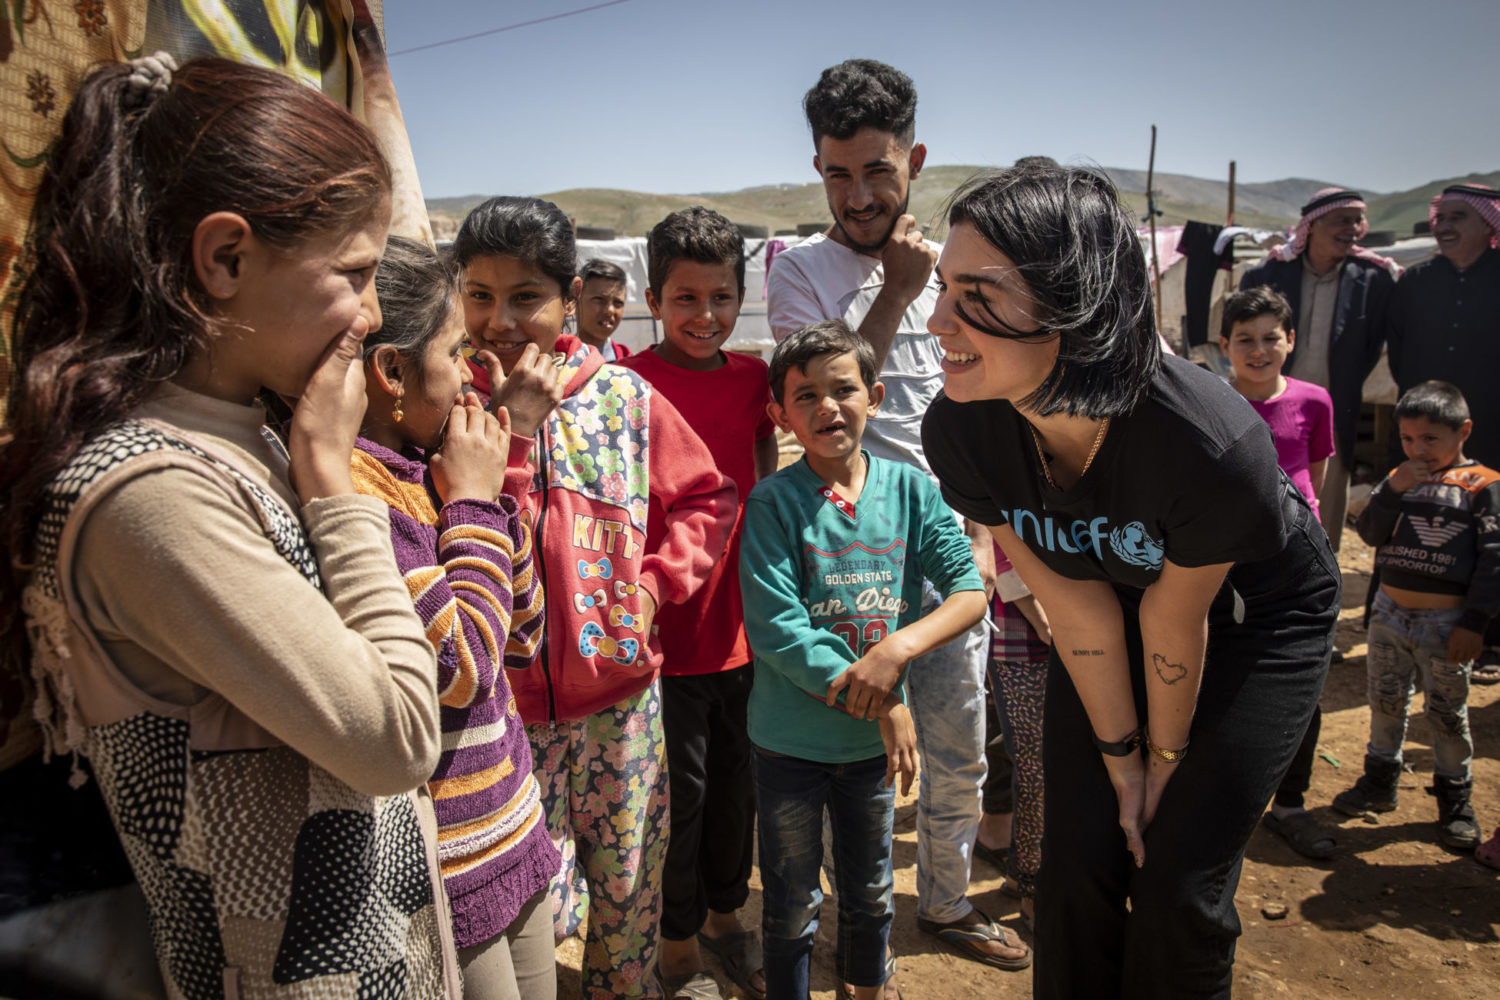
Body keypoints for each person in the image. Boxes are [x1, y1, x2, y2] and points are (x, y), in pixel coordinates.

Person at [2, 57, 462, 997]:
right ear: (224, 259)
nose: (374, 315)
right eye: (355, 274)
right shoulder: (148, 493)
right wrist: (335, 485)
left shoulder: (249, 435)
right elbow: (395, 738)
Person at [921, 165, 1341, 1000]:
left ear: (1072, 303)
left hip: (1254, 619)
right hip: (1108, 605)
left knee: (1176, 881)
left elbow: (1176, 621)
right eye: (941, 288)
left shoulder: (1206, 444)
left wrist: (1160, 762)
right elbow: (1073, 603)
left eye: (975, 294)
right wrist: (1119, 763)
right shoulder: (963, 428)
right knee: (1074, 868)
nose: (938, 323)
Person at [765, 59, 1023, 978]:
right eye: (838, 174)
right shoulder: (798, 273)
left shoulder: (967, 262)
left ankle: (947, 900)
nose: (859, 194)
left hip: (953, 547)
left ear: (914, 158)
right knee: (848, 752)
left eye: (878, 171)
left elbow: (1000, 395)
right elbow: (825, 393)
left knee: (957, 742)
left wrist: (1004, 530)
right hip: (845, 552)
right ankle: (854, 919)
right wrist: (898, 294)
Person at [453, 195, 737, 1000]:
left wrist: (651, 590)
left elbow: (707, 500)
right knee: (522, 909)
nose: (500, 320)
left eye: (524, 298)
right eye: (479, 295)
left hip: (622, 704)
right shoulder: (451, 406)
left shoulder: (623, 399)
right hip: (500, 716)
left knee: (628, 888)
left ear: (568, 294)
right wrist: (511, 434)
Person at [740, 320, 989, 1000]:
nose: (828, 407)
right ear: (780, 414)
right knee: (791, 901)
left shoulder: (912, 492)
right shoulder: (773, 505)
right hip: (789, 744)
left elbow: (968, 590)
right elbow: (779, 630)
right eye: (806, 396)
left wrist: (896, 649)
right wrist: (887, 701)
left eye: (843, 389)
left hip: (869, 753)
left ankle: (866, 987)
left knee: (871, 888)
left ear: (874, 396)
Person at [353, 237, 561, 1000]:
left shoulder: (433, 465)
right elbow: (462, 665)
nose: (474, 375)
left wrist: (494, 479)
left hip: (509, 818)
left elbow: (523, 629)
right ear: (393, 373)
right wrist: (474, 500)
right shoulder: (362, 499)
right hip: (450, 859)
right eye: (456, 352)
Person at [616, 207, 778, 1000]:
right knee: (676, 799)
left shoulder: (755, 380)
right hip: (662, 635)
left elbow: (770, 456)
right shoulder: (627, 383)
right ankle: (675, 947)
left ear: (740, 297)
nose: (705, 316)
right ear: (653, 298)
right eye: (685, 298)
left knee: (736, 793)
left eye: (721, 297)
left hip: (744, 630)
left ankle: (724, 918)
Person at [1332, 381, 1497, 850]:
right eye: (1407, 439)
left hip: (1445, 627)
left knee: (1446, 714)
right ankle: (1379, 781)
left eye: (1430, 439)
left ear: (1463, 431)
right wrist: (1392, 487)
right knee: (1386, 702)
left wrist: (1475, 624)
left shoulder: (1483, 486)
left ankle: (1454, 799)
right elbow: (1367, 533)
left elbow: (1494, 561)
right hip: (1390, 616)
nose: (1417, 449)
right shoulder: (1401, 480)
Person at [1218, 286, 1340, 860]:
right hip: (1228, 561)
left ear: (1290, 341)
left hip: (1297, 563)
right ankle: (1224, 803)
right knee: (1224, 674)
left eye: (1271, 337)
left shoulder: (1315, 401)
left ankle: (1289, 804)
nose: (1259, 349)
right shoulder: (1214, 400)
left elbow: (1313, 476)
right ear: (1225, 346)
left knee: (1301, 687)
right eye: (1246, 339)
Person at [1239, 187, 1399, 549]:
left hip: (1333, 403)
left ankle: (1323, 566)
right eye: (1344, 220)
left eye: (1359, 220)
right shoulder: (1270, 273)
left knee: (1327, 488)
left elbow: (1373, 344)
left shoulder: (1372, 281)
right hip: (1268, 400)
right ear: (1313, 225)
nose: (1355, 228)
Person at [1385, 184, 1500, 684]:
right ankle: (1393, 623)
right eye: (1440, 215)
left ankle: (1489, 636)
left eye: (1458, 216)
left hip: (1491, 425)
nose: (1443, 225)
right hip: (1423, 430)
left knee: (1487, 531)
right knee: (1410, 517)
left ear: (1488, 224)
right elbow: (1399, 349)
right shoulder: (1414, 281)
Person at [979, 543, 1051, 926]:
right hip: (1024, 638)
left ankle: (1020, 875)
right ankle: (1032, 888)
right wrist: (1044, 622)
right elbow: (1001, 553)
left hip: (1061, 631)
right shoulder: (1015, 483)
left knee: (1041, 769)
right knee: (1037, 771)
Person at [576, 258, 633, 361]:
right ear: (574, 302)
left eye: (618, 303)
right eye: (599, 300)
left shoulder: (628, 363)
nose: (609, 310)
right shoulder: (559, 360)